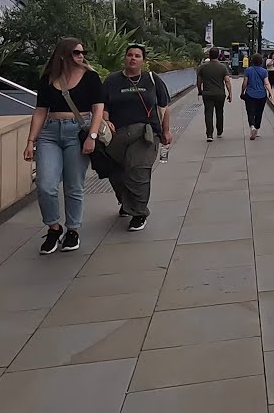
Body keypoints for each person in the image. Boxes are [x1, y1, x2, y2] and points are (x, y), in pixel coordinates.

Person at [24, 38, 105, 255]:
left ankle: (72, 230)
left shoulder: (90, 77)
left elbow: (98, 109)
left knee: (73, 185)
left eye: (82, 52)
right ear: (63, 55)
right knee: (45, 184)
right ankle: (53, 228)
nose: (81, 56)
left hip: (77, 131)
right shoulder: (49, 78)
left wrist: (92, 136)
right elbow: (40, 110)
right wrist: (31, 140)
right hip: (50, 133)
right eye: (76, 53)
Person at [103, 44, 172, 231]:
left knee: (138, 169)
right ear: (124, 58)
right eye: (129, 55)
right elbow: (104, 106)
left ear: (143, 60)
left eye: (137, 56)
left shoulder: (152, 79)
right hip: (117, 134)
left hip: (146, 133)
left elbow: (164, 107)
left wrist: (166, 131)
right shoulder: (112, 81)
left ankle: (139, 212)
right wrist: (105, 121)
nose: (133, 58)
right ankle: (126, 203)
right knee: (117, 173)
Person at [196, 47, 232, 142]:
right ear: (219, 55)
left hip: (207, 93)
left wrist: (200, 90)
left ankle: (209, 134)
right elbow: (227, 81)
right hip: (220, 93)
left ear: (209, 55)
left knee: (208, 113)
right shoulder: (223, 67)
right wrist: (230, 93)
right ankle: (219, 131)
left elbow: (199, 81)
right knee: (219, 112)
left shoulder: (202, 67)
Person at [242, 56, 274, 139]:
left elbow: (245, 82)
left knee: (250, 112)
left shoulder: (248, 70)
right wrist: (271, 93)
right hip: (262, 95)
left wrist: (242, 91)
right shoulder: (264, 71)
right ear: (261, 62)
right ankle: (257, 129)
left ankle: (252, 126)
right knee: (259, 112)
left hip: (250, 94)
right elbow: (266, 83)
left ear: (252, 61)